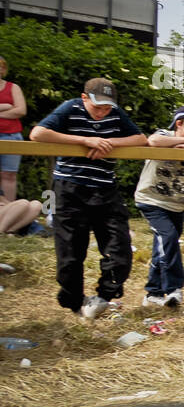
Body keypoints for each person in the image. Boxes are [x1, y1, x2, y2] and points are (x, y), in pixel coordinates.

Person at [30, 78, 148, 318]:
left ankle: (104, 296)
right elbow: (38, 133)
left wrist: (108, 143)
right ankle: (74, 301)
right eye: (97, 107)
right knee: (71, 254)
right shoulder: (70, 108)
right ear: (85, 98)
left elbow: (140, 139)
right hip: (69, 188)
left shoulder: (115, 114)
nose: (103, 112)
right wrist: (85, 140)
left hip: (105, 188)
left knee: (120, 249)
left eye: (107, 107)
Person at [134, 105, 184, 307]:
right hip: (151, 200)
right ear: (179, 124)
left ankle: (153, 293)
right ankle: (174, 289)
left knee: (162, 247)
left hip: (176, 205)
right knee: (168, 239)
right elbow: (153, 141)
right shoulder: (165, 134)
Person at [0, 55, 27, 202]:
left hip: (11, 136)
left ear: (3, 69)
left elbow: (21, 110)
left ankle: (10, 211)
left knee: (9, 175)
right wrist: (5, 106)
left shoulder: (13, 87)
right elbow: (14, 109)